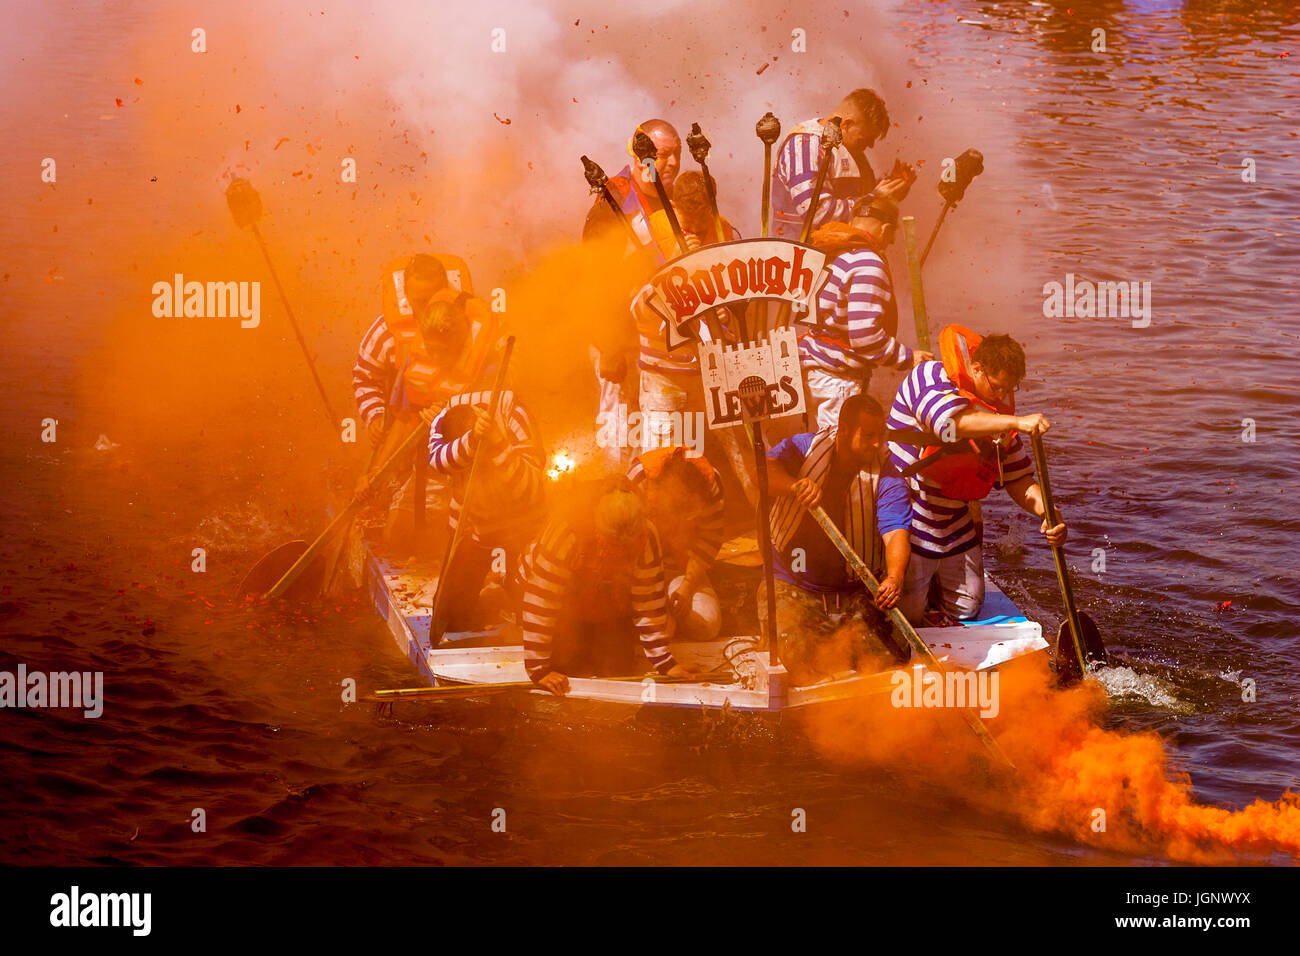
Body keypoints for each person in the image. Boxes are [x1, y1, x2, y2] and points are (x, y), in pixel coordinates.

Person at [886, 327, 1066, 625]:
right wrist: (1017, 422)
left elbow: (1019, 479)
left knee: (967, 608)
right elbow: (949, 423)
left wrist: (1048, 510)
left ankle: (935, 585)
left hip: (954, 520)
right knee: (908, 618)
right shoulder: (928, 376)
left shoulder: (999, 413)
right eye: (996, 387)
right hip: (909, 514)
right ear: (977, 369)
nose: (1000, 396)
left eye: (1008, 390)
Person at [761, 394, 914, 685]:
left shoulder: (888, 475)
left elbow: (896, 531)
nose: (876, 444)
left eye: (880, 435)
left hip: (853, 590)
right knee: (797, 659)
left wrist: (894, 577)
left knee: (888, 658)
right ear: (843, 429)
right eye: (868, 436)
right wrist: (794, 486)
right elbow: (763, 474)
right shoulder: (804, 448)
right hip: (792, 583)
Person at [518, 482, 696, 695]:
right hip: (554, 601)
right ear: (599, 534)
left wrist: (666, 663)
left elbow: (648, 600)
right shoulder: (567, 533)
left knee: (617, 668)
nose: (624, 555)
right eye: (616, 548)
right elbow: (541, 602)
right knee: (565, 667)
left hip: (603, 599)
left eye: (629, 549)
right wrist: (539, 670)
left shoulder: (647, 536)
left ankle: (590, 636)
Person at [583, 120, 684, 467]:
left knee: (659, 431)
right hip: (618, 337)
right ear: (640, 156)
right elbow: (594, 281)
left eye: (677, 155)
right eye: (663, 155)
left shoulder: (675, 195)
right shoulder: (613, 201)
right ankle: (618, 500)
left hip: (661, 338)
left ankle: (659, 494)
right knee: (619, 426)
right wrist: (610, 347)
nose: (671, 163)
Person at [803, 192, 932, 430]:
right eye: (892, 234)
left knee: (818, 448)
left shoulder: (834, 252)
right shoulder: (868, 263)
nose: (891, 242)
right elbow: (865, 338)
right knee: (835, 455)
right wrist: (908, 357)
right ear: (884, 229)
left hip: (813, 370)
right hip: (836, 380)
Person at [426, 389, 548, 630]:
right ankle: (493, 596)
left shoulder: (515, 414)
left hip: (523, 529)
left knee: (530, 617)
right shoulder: (443, 416)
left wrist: (497, 444)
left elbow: (532, 490)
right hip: (472, 528)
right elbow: (438, 460)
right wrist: (472, 441)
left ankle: (508, 589)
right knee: (452, 621)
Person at [772, 88, 904, 239]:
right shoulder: (806, 145)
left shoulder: (851, 151)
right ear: (846, 125)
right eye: (864, 139)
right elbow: (816, 213)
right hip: (798, 256)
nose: (870, 146)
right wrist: (873, 199)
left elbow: (855, 198)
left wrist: (892, 189)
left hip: (833, 254)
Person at [626, 445, 726, 642]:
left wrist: (687, 587)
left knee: (706, 625)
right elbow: (624, 543)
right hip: (640, 571)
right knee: (660, 632)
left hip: (682, 566)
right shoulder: (638, 479)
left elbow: (709, 540)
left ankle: (673, 609)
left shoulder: (712, 484)